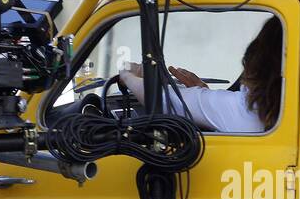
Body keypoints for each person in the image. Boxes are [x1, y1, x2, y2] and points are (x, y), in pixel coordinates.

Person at [119, 16, 284, 132]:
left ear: (258, 66)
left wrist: (128, 75)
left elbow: (160, 99)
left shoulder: (247, 113)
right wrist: (202, 91)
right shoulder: (284, 112)